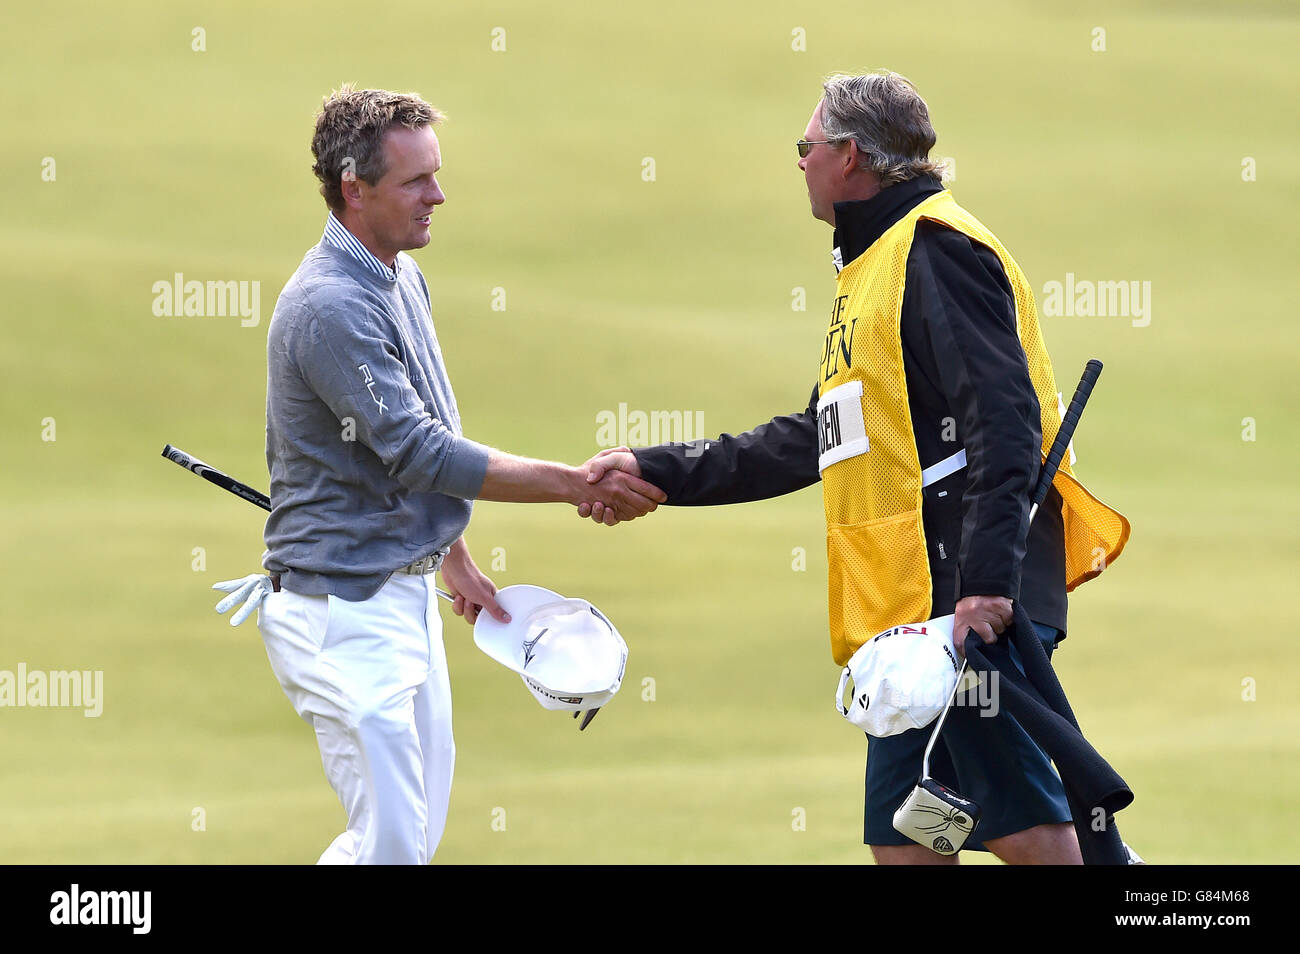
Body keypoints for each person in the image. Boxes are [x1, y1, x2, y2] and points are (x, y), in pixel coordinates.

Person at [580, 71, 1129, 865]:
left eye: (804, 147)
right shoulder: (871, 267)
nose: (798, 162)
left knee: (1031, 835)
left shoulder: (935, 251)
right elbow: (812, 440)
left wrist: (981, 589)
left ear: (847, 157)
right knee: (908, 840)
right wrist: (657, 468)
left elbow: (1005, 428)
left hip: (965, 603)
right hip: (910, 617)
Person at [226, 84, 664, 865]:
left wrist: (447, 550)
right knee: (391, 846)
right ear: (353, 191)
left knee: (410, 843)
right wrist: (573, 483)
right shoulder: (331, 306)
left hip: (401, 594)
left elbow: (416, 444)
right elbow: (421, 451)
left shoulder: (399, 277)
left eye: (435, 173)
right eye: (415, 181)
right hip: (340, 614)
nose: (439, 194)